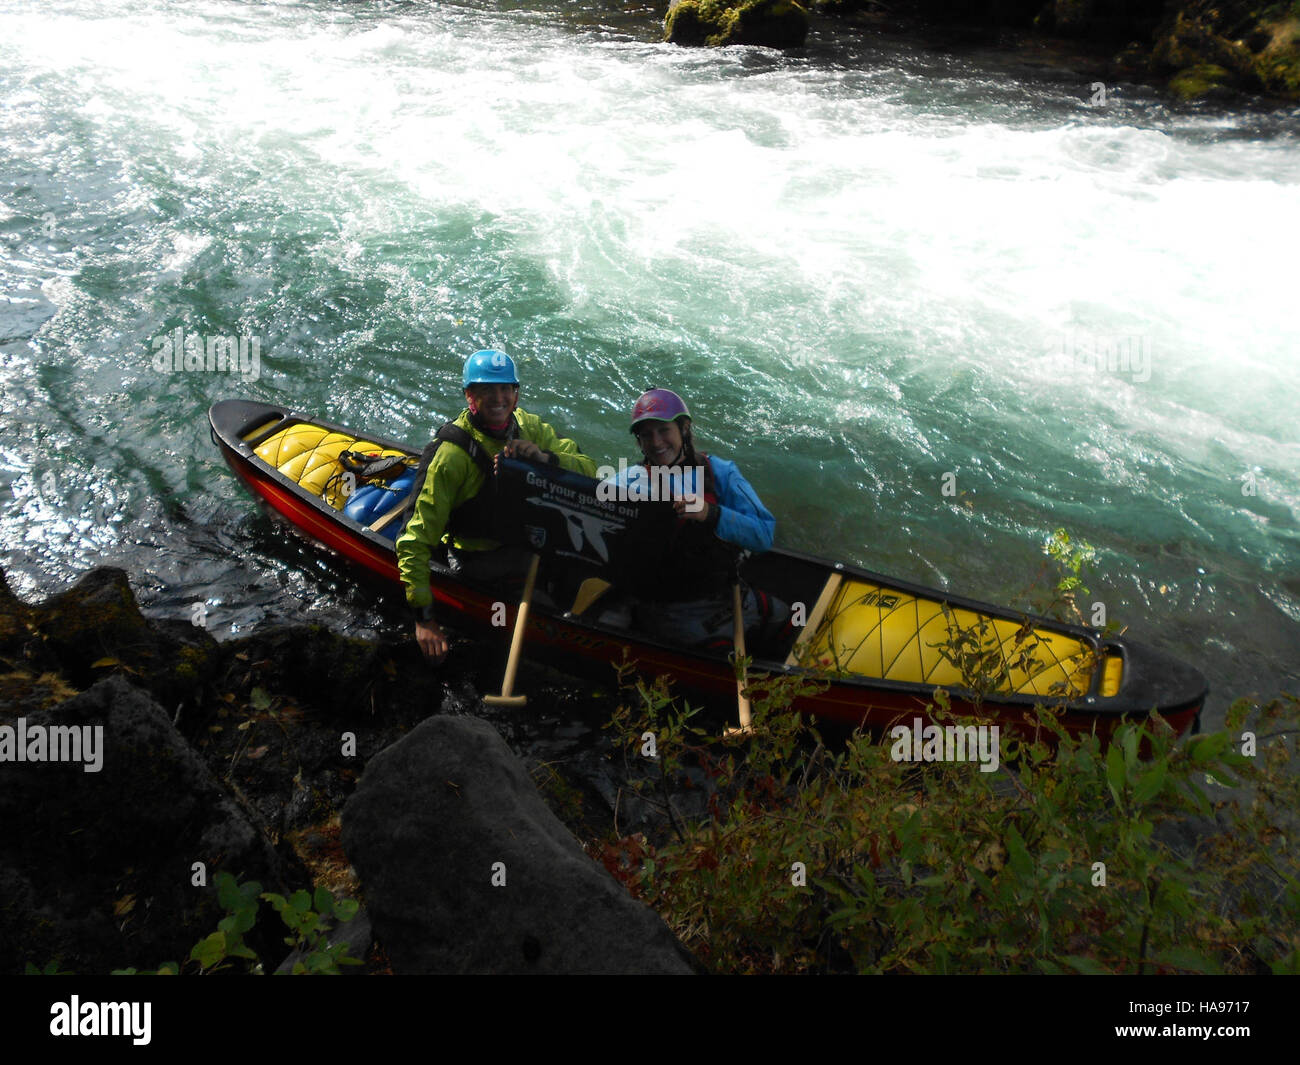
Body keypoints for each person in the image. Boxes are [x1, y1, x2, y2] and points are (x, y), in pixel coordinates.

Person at [396, 349, 598, 662]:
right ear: (469, 396)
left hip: (527, 543)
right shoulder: (451, 455)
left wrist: (545, 459)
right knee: (544, 619)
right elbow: (415, 540)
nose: (498, 398)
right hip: (479, 560)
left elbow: (589, 469)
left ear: (516, 394)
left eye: (506, 389)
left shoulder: (527, 426)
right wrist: (424, 618)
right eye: (486, 390)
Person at [603, 387, 779, 647]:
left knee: (790, 618)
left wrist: (711, 513)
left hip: (726, 595)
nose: (656, 442)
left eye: (664, 430)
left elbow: (763, 535)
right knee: (719, 652)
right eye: (646, 435)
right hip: (670, 609)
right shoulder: (625, 483)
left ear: (684, 429)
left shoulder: (720, 472)